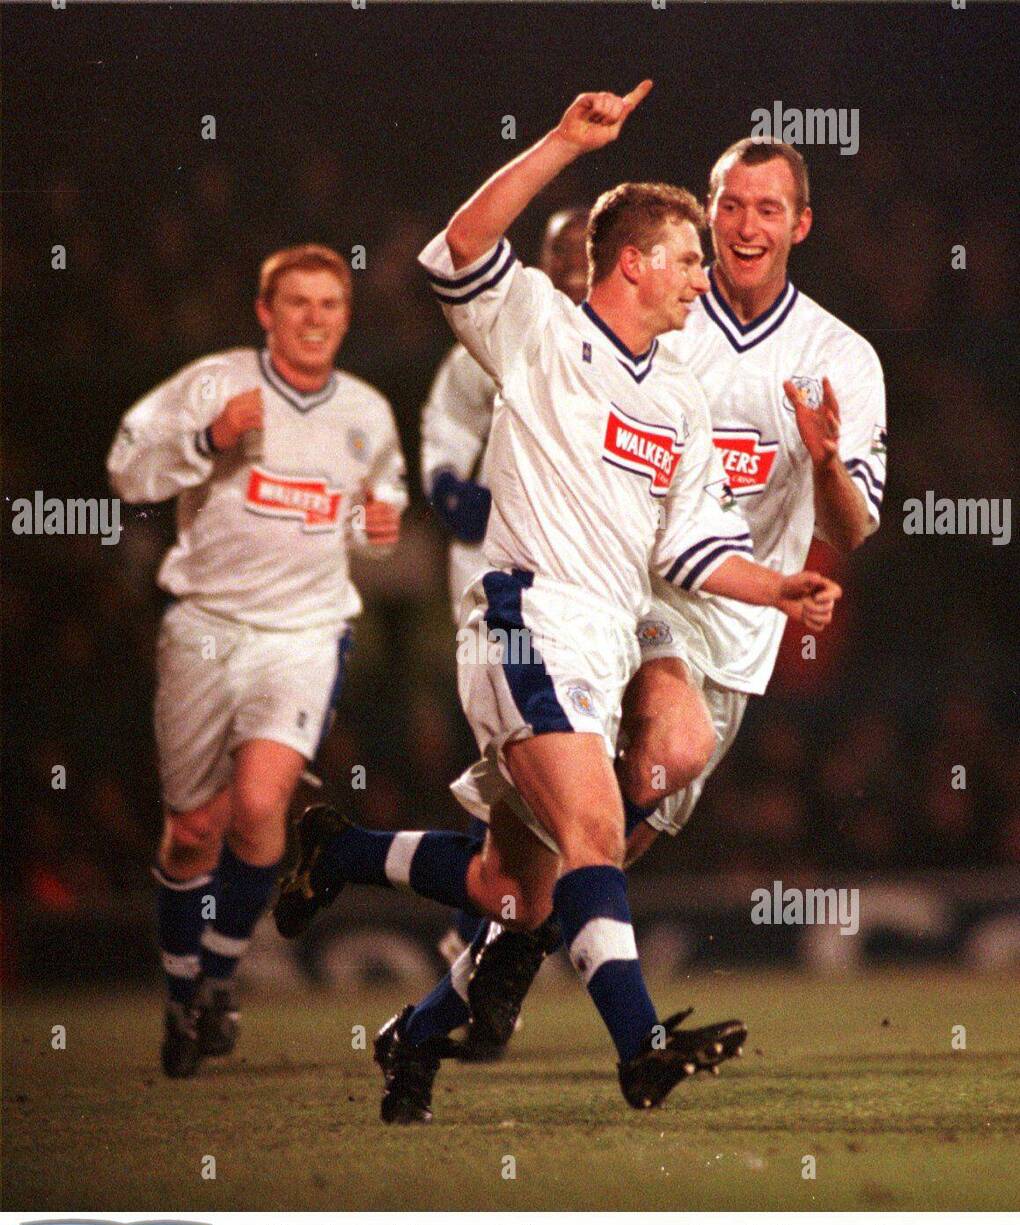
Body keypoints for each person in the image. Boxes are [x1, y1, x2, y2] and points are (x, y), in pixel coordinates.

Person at [275, 84, 840, 1123]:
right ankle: (642, 1047)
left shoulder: (678, 397)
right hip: (525, 623)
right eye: (686, 259)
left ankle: (366, 909)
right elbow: (457, 250)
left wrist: (782, 586)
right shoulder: (539, 328)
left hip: (606, 644)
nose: (703, 276)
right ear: (631, 263)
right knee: (595, 829)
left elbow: (693, 546)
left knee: (516, 892)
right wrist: (564, 145)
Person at [466, 136, 887, 1050]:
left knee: (579, 849)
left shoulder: (839, 357)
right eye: (730, 205)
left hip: (735, 623)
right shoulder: (664, 313)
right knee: (650, 769)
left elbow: (851, 528)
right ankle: (626, 1039)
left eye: (768, 209)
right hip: (634, 599)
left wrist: (823, 464)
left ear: (800, 224)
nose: (745, 226)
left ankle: (429, 958)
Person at [107, 244, 406, 1077]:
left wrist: (377, 529)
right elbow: (126, 470)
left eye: (330, 304)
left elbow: (377, 507)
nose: (315, 318)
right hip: (204, 628)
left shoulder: (368, 411)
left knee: (258, 806)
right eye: (298, 302)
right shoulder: (215, 383)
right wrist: (208, 437)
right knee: (191, 833)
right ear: (265, 312)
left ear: (346, 316)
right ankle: (180, 997)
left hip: (304, 634)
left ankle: (219, 980)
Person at [419, 208, 589, 1051]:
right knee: (532, 787)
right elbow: (446, 463)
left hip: (600, 608)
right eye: (563, 253)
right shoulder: (494, 346)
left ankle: (363, 863)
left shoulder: (651, 359)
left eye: (589, 253)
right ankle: (486, 961)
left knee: (559, 802)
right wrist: (479, 496)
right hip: (507, 600)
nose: (576, 267)